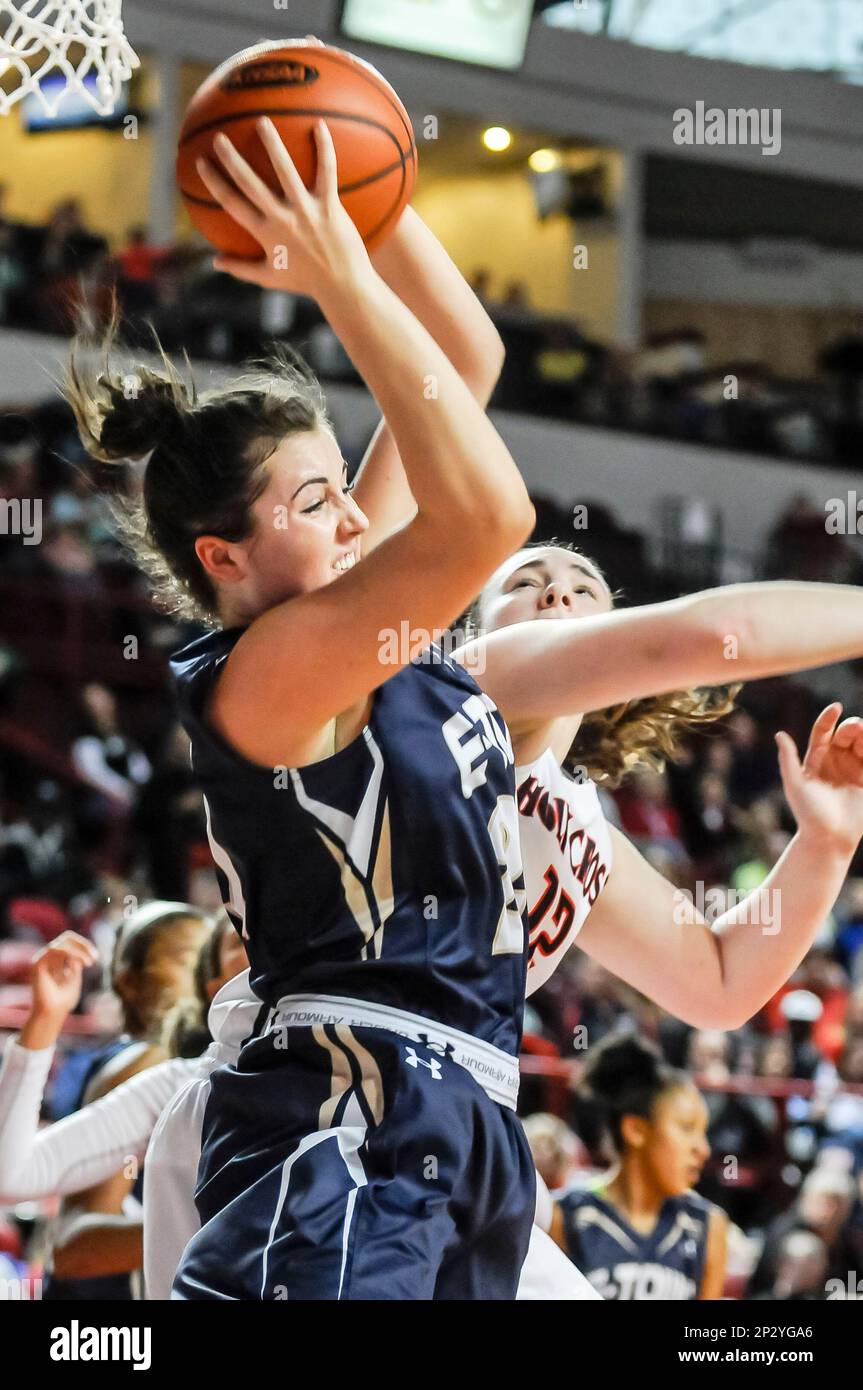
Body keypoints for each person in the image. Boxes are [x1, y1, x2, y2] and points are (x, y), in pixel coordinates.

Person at [66, 115, 538, 1301]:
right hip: (345, 1105)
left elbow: (460, 366)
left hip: (454, 1107)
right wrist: (335, 276)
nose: (350, 516)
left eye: (343, 488)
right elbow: (487, 517)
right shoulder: (271, 666)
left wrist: (370, 200)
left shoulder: (340, 601)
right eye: (317, 497)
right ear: (224, 556)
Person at [0, 916, 250, 1299]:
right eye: (239, 936)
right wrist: (44, 1020)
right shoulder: (172, 1077)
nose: (260, 937)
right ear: (213, 986)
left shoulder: (362, 1069)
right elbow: (67, 1242)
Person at [42, 901, 210, 1299]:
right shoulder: (147, 1063)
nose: (201, 974)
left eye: (209, 955)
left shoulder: (171, 1059)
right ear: (127, 981)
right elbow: (74, 1248)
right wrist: (215, 1223)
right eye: (186, 958)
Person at [551, 1034, 727, 1299]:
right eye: (687, 1128)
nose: (703, 1149)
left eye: (703, 1132)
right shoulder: (565, 1216)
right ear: (636, 1130)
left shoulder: (707, 1225)